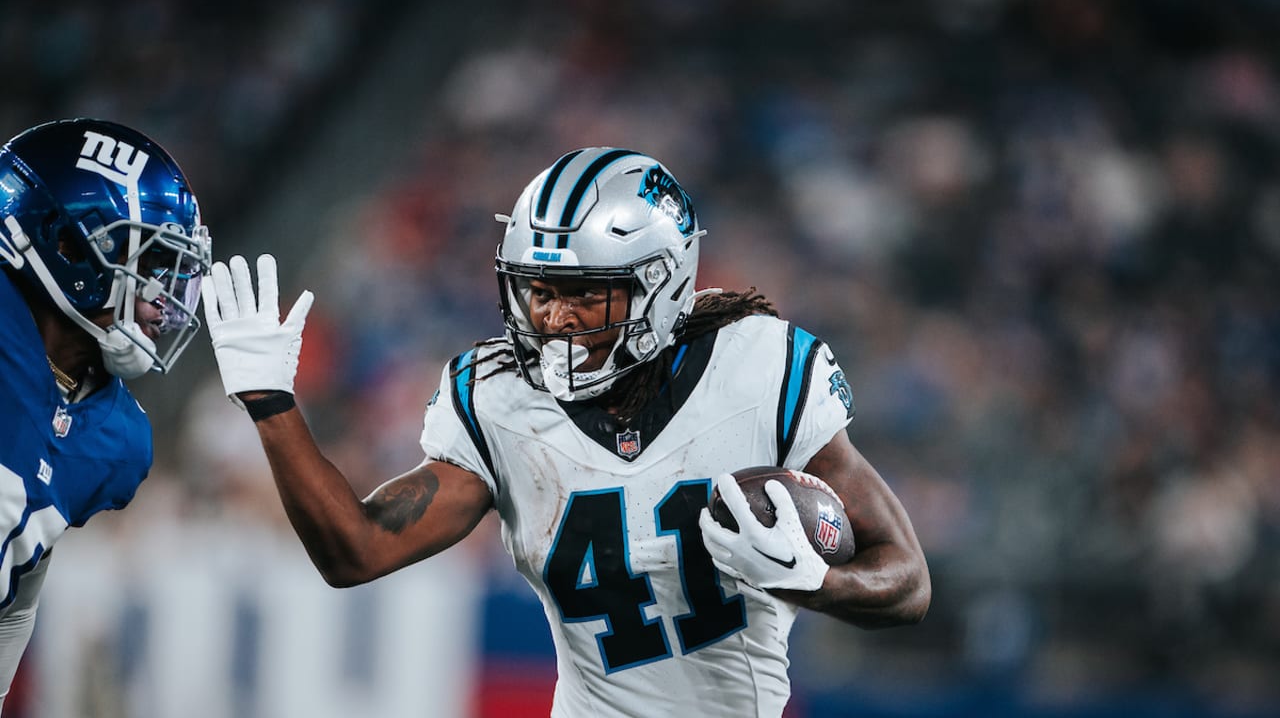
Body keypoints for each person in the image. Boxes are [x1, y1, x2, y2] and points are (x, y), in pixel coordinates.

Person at [203, 147, 930, 717]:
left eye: (585, 294)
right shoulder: (498, 399)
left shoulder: (760, 368)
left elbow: (908, 581)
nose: (554, 318)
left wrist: (817, 581)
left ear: (663, 283)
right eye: (541, 291)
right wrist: (271, 404)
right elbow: (355, 552)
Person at [0, 118, 212, 711]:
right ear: (65, 244)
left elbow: (16, 591)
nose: (162, 301)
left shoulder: (118, 441)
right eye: (150, 264)